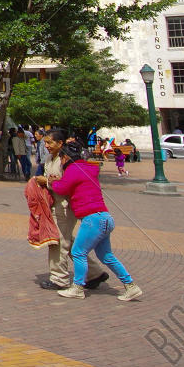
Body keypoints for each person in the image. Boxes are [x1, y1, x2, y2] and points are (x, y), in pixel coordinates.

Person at [40, 137, 142, 301]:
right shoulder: (88, 168)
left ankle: (78, 287)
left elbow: (62, 188)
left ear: (66, 157)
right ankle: (130, 285)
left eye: (63, 158)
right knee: (106, 256)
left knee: (77, 252)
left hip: (92, 219)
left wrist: (49, 181)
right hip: (105, 217)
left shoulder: (73, 169)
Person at [39, 129, 108, 291]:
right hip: (54, 204)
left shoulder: (66, 160)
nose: (46, 146)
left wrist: (48, 182)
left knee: (58, 241)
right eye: (45, 143)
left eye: (50, 142)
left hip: (65, 206)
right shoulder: (49, 159)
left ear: (60, 143)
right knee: (67, 240)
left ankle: (59, 279)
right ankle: (94, 273)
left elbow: (66, 184)